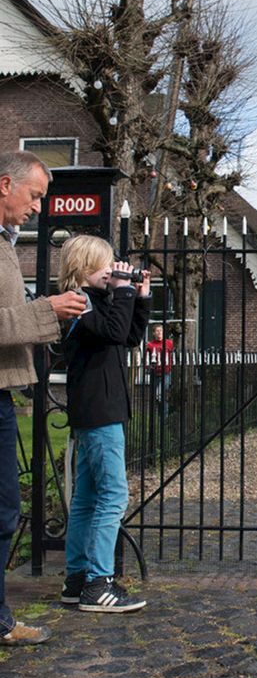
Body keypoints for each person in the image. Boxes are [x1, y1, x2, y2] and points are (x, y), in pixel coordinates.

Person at [0, 150, 87, 644]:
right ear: (5, 185)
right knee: (4, 509)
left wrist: (52, 317)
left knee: (5, 510)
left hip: (4, 391)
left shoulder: (7, 243)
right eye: (34, 196)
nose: (37, 207)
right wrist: (45, 310)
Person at [58, 234, 151, 612]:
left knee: (87, 498)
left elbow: (126, 336)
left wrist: (139, 298)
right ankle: (99, 582)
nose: (113, 271)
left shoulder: (94, 303)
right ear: (83, 268)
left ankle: (77, 579)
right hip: (99, 414)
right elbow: (113, 330)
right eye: (106, 265)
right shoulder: (78, 305)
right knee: (113, 496)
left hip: (100, 411)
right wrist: (124, 289)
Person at [146, 324, 173, 401]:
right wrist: (148, 367)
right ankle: (158, 411)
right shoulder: (150, 345)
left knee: (163, 393)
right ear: (154, 333)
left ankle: (165, 412)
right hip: (155, 372)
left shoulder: (169, 343)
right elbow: (147, 358)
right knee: (155, 394)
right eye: (157, 331)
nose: (159, 332)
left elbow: (171, 355)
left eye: (161, 330)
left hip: (166, 372)